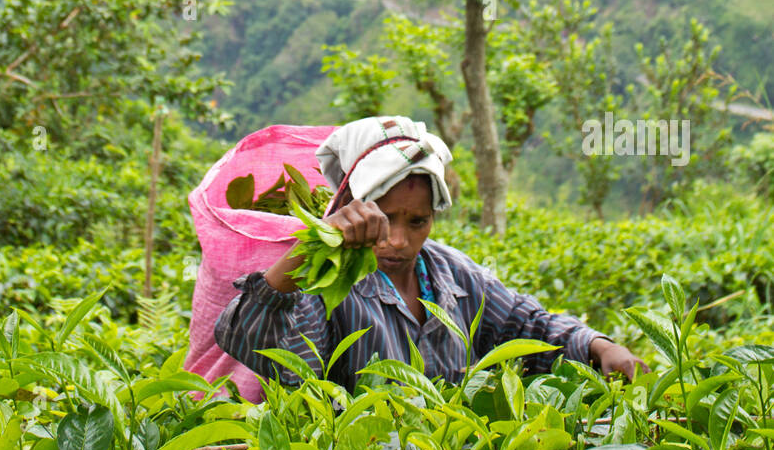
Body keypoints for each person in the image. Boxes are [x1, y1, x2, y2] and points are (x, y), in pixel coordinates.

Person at [215, 115, 648, 393]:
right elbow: (249, 338)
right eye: (385, 218)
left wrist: (597, 345)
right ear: (351, 204)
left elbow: (525, 324)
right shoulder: (328, 284)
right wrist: (310, 252)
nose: (399, 240)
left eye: (417, 221)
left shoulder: (451, 274)